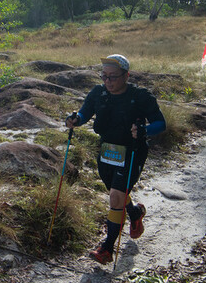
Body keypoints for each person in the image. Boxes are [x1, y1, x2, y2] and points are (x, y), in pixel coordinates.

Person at [65, 54, 166, 264]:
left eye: (113, 77)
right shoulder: (98, 93)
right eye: (104, 76)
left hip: (132, 151)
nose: (108, 81)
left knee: (115, 196)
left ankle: (107, 248)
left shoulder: (141, 96)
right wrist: (76, 119)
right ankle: (135, 212)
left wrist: (145, 130)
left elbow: (160, 123)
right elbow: (85, 112)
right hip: (107, 149)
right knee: (116, 192)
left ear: (126, 76)